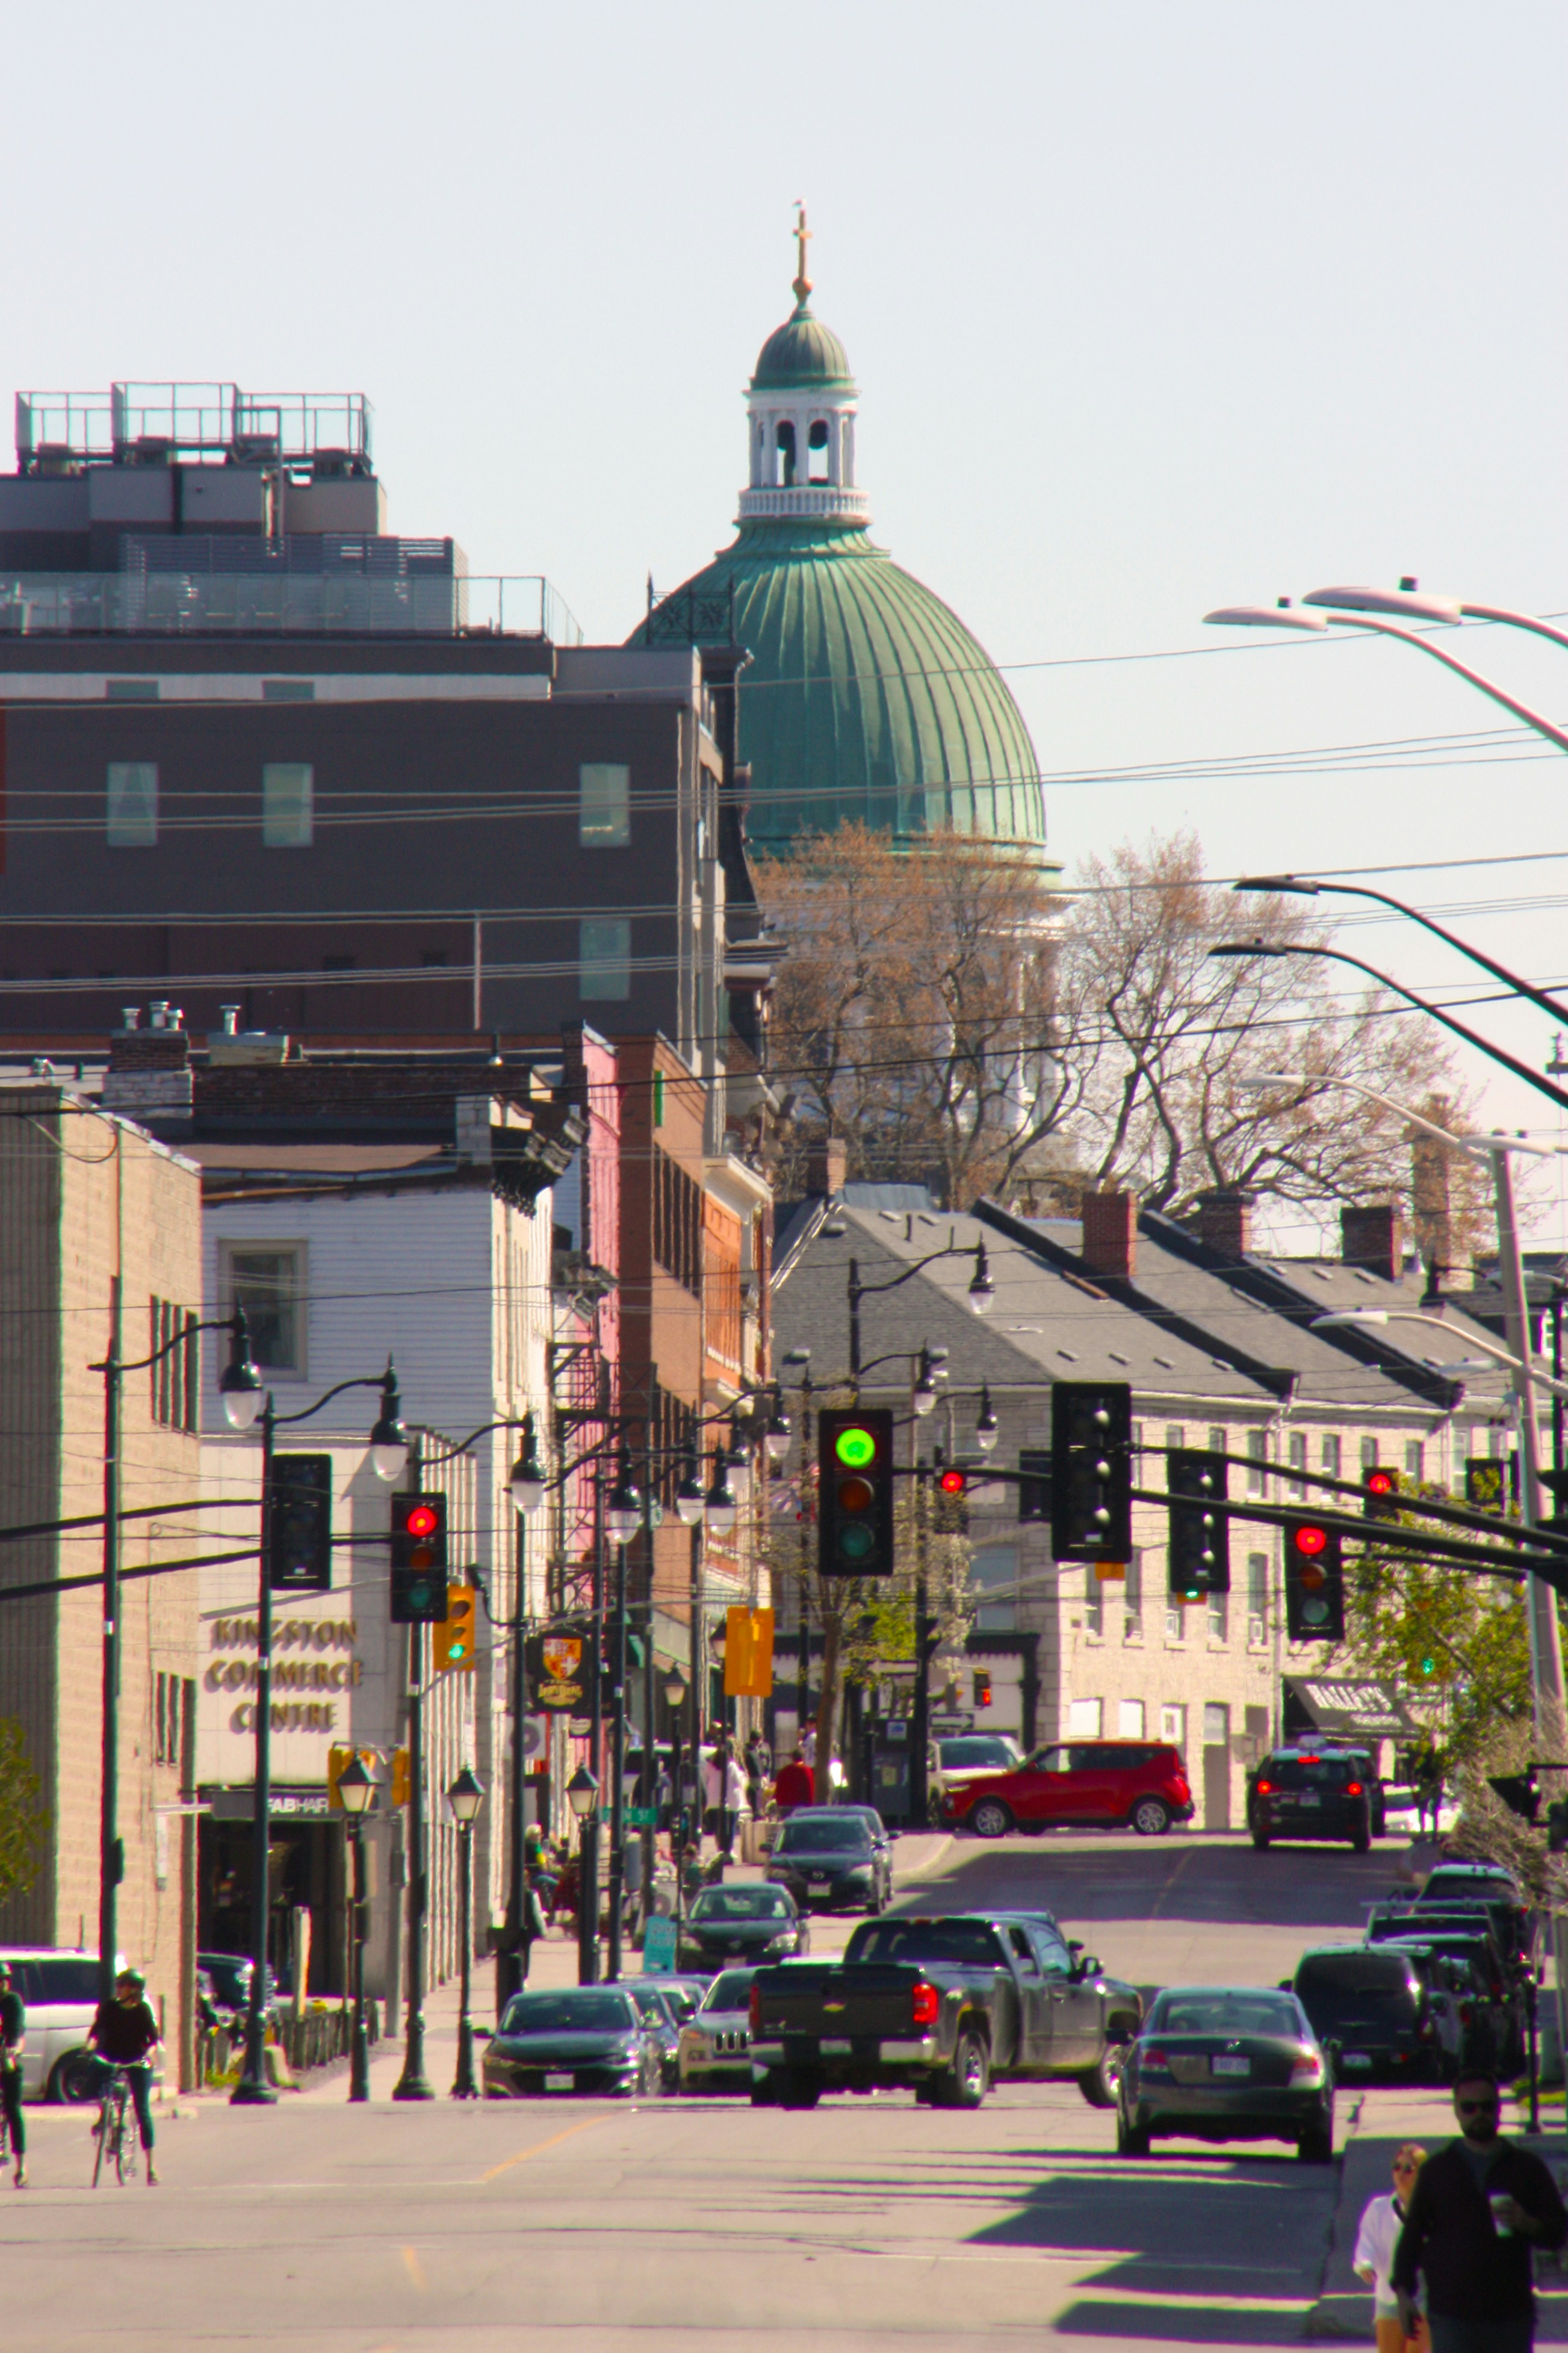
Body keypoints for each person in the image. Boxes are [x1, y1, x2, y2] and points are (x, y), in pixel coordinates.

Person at [1392, 2070, 1568, 2353]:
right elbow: (1413, 2235)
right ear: (1457, 2112)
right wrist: (1403, 2294)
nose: (1479, 2114)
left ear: (1498, 2109)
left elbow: (1558, 2231)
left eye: (1487, 2106)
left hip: (1510, 2315)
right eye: (1469, 2107)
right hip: (1451, 2313)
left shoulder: (1525, 2167)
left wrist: (1526, 2223)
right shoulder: (1438, 2170)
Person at [85, 1968, 163, 2186]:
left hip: (137, 2060)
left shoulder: (143, 2011)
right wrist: (89, 2047)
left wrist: (148, 2056)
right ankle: (106, 2114)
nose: (118, 1989)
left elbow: (154, 2041)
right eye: (117, 1985)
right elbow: (96, 2031)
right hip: (112, 2057)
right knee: (96, 2076)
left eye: (122, 1985)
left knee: (142, 2109)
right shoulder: (109, 2008)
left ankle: (152, 2166)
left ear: (134, 1990)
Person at [1354, 2145, 1428, 2352]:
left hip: (1423, 2296)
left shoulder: (1431, 2210)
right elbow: (1367, 2241)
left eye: (1409, 2168)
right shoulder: (1379, 2208)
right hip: (1388, 2296)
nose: (1401, 2173)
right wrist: (1365, 2265)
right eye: (1397, 2167)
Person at [0, 1960, 26, 2187]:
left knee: (13, 2110)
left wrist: (12, 2052)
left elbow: (17, 2033)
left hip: (7, 2058)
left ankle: (21, 2166)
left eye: (3, 1981)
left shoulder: (13, 2002)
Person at [773, 1747, 814, 1816]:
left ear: (792, 1758)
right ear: (803, 1757)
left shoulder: (784, 1771)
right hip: (802, 1808)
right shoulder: (808, 1771)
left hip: (786, 1807)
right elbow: (811, 1790)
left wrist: (779, 1804)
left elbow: (779, 1790)